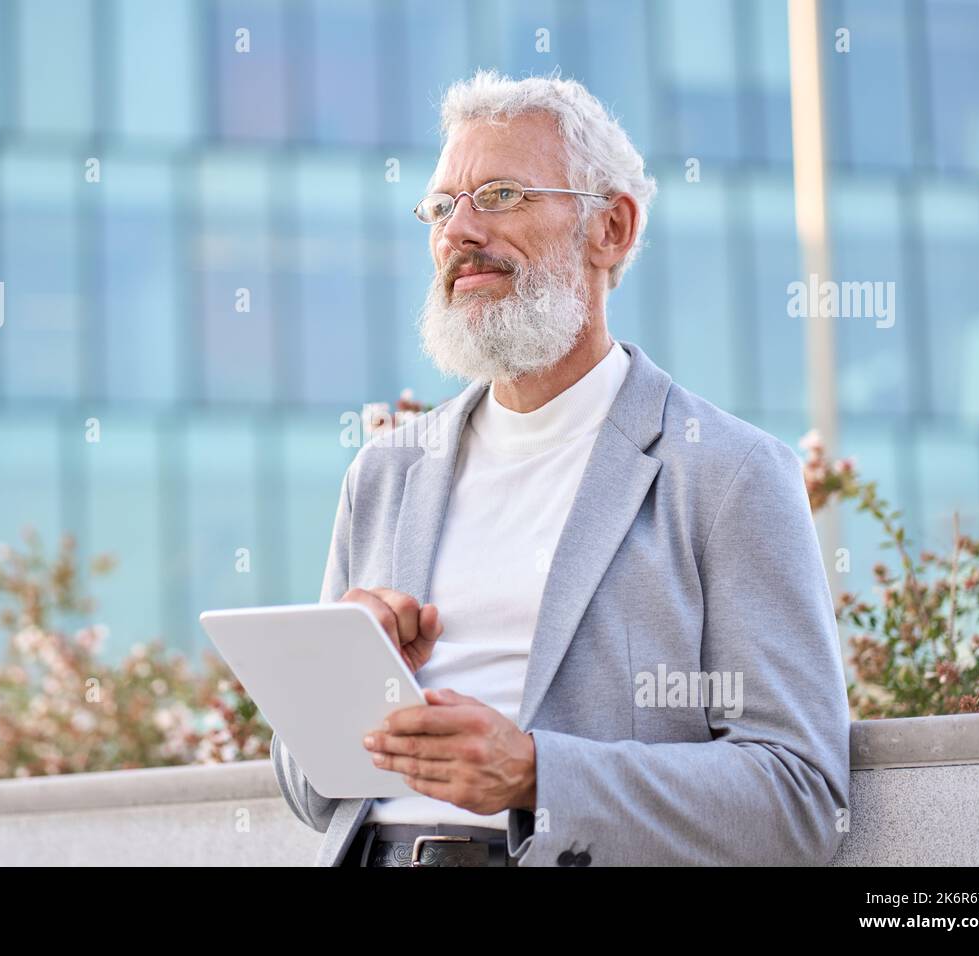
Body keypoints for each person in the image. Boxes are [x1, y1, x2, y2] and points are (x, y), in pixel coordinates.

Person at [271, 69, 850, 868]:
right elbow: (310, 796)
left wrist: (536, 773)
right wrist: (339, 680)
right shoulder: (384, 472)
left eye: (501, 195)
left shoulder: (728, 475)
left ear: (610, 228)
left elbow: (801, 800)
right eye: (441, 207)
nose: (458, 231)